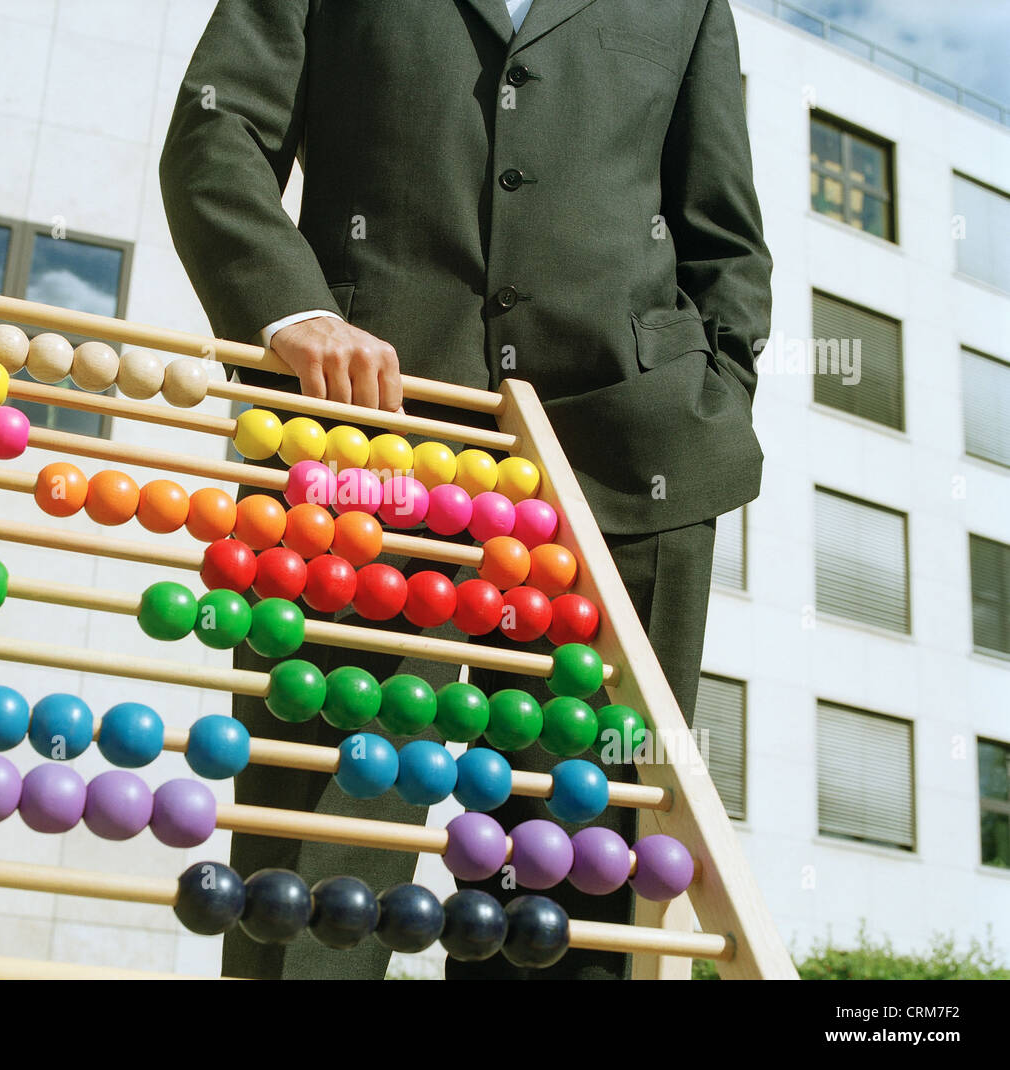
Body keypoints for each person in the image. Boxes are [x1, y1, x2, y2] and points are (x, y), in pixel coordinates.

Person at [159, 0, 771, 979]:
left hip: (625, 469)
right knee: (316, 849)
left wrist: (714, 391)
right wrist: (290, 307)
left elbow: (722, 234)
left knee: (584, 866)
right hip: (359, 441)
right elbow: (215, 126)